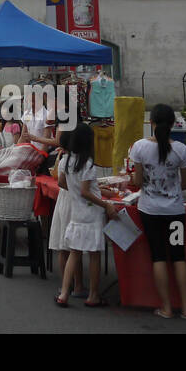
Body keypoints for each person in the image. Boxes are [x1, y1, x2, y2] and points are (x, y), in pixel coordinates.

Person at [129, 103, 186, 319]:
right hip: (176, 212)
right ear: (172, 123)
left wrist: (133, 178)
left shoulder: (139, 147)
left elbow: (137, 182)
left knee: (158, 256)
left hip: (150, 211)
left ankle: (166, 308)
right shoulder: (182, 150)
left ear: (152, 123)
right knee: (179, 257)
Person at [54, 123, 117, 307]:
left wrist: (80, 190)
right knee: (94, 254)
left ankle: (64, 294)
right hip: (91, 213)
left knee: (74, 253)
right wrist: (106, 204)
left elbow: (63, 183)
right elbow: (85, 191)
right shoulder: (87, 164)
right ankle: (93, 296)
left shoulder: (66, 160)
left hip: (77, 212)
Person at [48, 130, 86, 299]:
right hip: (74, 202)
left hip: (64, 201)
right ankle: (77, 285)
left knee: (63, 245)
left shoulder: (64, 160)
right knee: (74, 246)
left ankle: (66, 284)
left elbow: (61, 182)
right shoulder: (84, 162)